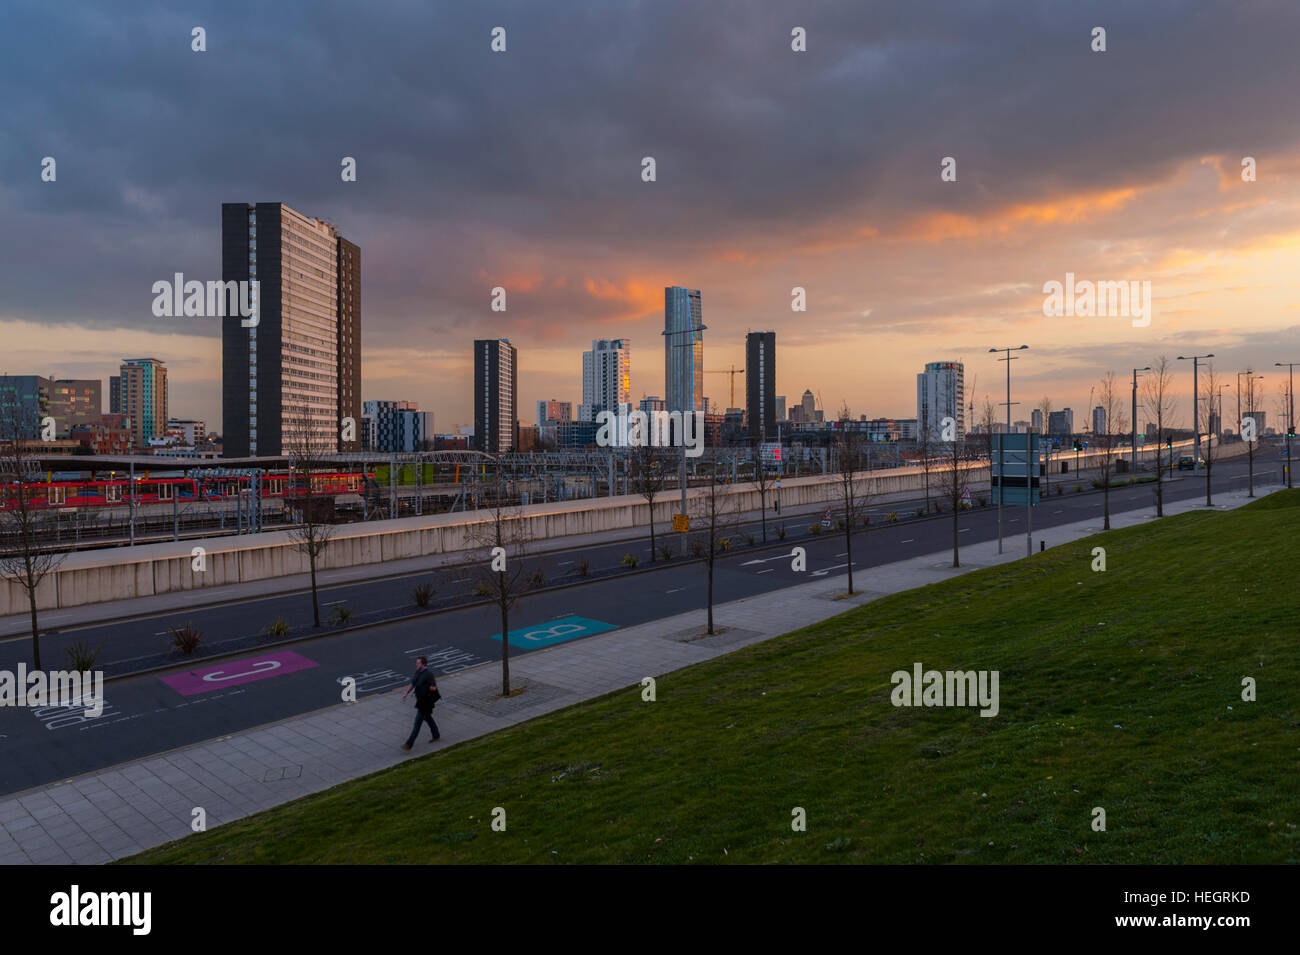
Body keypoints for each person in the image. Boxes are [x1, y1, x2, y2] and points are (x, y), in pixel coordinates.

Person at [400, 656, 440, 751]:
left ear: (423, 664)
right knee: (428, 718)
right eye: (416, 663)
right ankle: (436, 735)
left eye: (418, 663)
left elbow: (434, 687)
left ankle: (408, 744)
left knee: (417, 723)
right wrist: (406, 693)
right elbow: (413, 683)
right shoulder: (418, 672)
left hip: (426, 702)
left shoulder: (429, 674)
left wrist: (428, 688)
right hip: (420, 700)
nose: (416, 664)